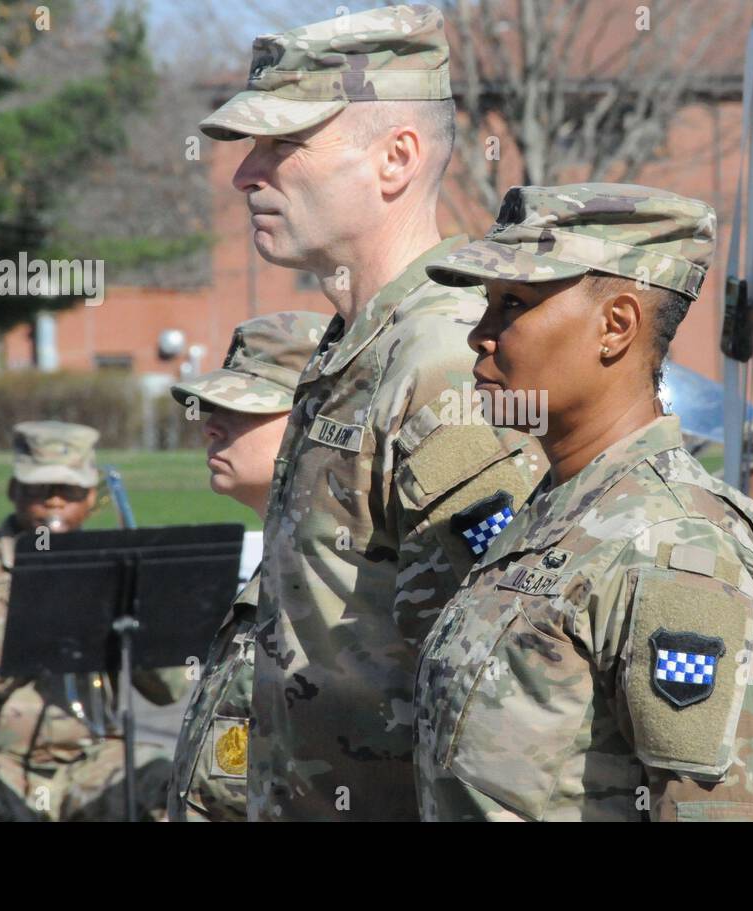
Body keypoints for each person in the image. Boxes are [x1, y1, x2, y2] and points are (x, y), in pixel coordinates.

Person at [200, 4, 544, 820]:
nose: (248, 175)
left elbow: (494, 691)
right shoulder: (356, 344)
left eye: (283, 145)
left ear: (396, 158)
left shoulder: (450, 362)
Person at [413, 182, 753, 821]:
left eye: (512, 304)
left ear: (615, 325)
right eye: (487, 305)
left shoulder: (676, 547)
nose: (480, 336)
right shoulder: (560, 508)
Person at [0, 421, 185, 821]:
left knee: (172, 788)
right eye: (40, 490)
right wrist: (20, 639)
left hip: (94, 757)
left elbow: (169, 690)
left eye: (70, 491)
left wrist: (136, 612)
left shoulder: (114, 564)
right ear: (13, 491)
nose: (54, 502)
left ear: (93, 498)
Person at [164, 313, 328, 822]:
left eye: (242, 408)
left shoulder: (337, 579)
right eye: (214, 407)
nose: (212, 426)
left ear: (316, 417)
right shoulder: (281, 560)